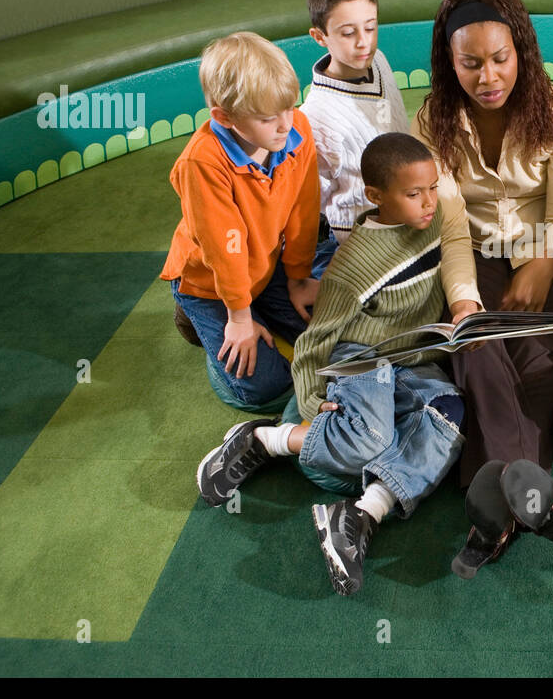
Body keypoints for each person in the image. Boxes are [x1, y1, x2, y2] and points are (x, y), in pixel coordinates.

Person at [195, 133, 465, 597]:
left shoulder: (439, 216)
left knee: (450, 416)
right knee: (372, 440)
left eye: (432, 188)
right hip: (359, 358)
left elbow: (456, 243)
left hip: (412, 359)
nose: (429, 203)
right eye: (414, 193)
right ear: (377, 197)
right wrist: (311, 398)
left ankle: (361, 516)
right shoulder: (353, 265)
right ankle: (266, 440)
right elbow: (316, 340)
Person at [410, 0, 553, 490]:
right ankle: (522, 490)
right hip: (476, 254)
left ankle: (491, 494)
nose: (488, 77)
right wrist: (464, 302)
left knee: (534, 358)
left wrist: (543, 263)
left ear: (521, 52)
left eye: (500, 59)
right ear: (450, 63)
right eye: (470, 64)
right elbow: (453, 231)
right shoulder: (431, 124)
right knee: (477, 344)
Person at [161, 31, 320, 410]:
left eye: (289, 107)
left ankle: (256, 309)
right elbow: (224, 248)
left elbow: (304, 208)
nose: (286, 124)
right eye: (268, 118)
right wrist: (239, 317)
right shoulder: (202, 163)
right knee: (263, 386)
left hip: (263, 270)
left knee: (333, 335)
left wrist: (297, 277)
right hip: (211, 285)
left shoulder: (296, 128)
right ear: (223, 117)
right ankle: (197, 323)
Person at [299, 0, 410, 278]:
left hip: (410, 220)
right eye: (348, 33)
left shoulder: (379, 60)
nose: (364, 43)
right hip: (356, 244)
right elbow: (312, 203)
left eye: (371, 28)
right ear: (319, 37)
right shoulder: (314, 116)